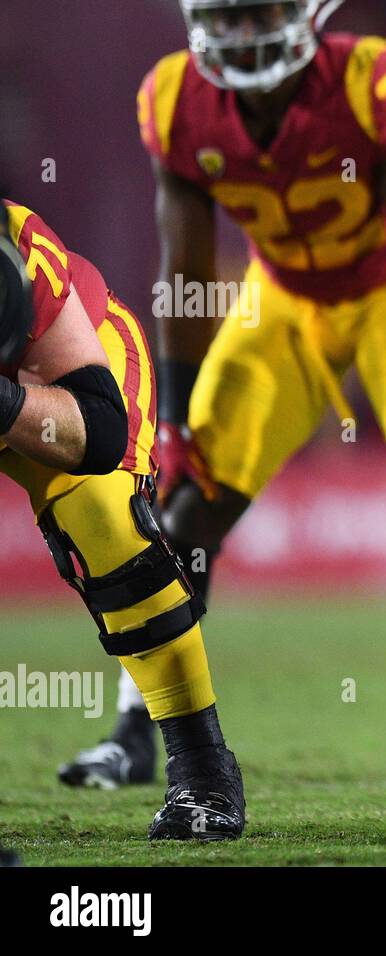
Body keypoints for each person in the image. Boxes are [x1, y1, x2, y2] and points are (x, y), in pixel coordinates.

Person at [59, 0, 386, 788]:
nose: (243, 33)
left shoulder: (368, 80)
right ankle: (138, 727)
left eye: (259, 13)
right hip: (282, 299)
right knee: (185, 507)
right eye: (225, 17)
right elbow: (186, 272)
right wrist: (180, 418)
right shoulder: (172, 98)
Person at [1, 200, 243, 839]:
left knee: (102, 517)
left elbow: (101, 428)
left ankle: (201, 770)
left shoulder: (17, 243)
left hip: (60, 382)